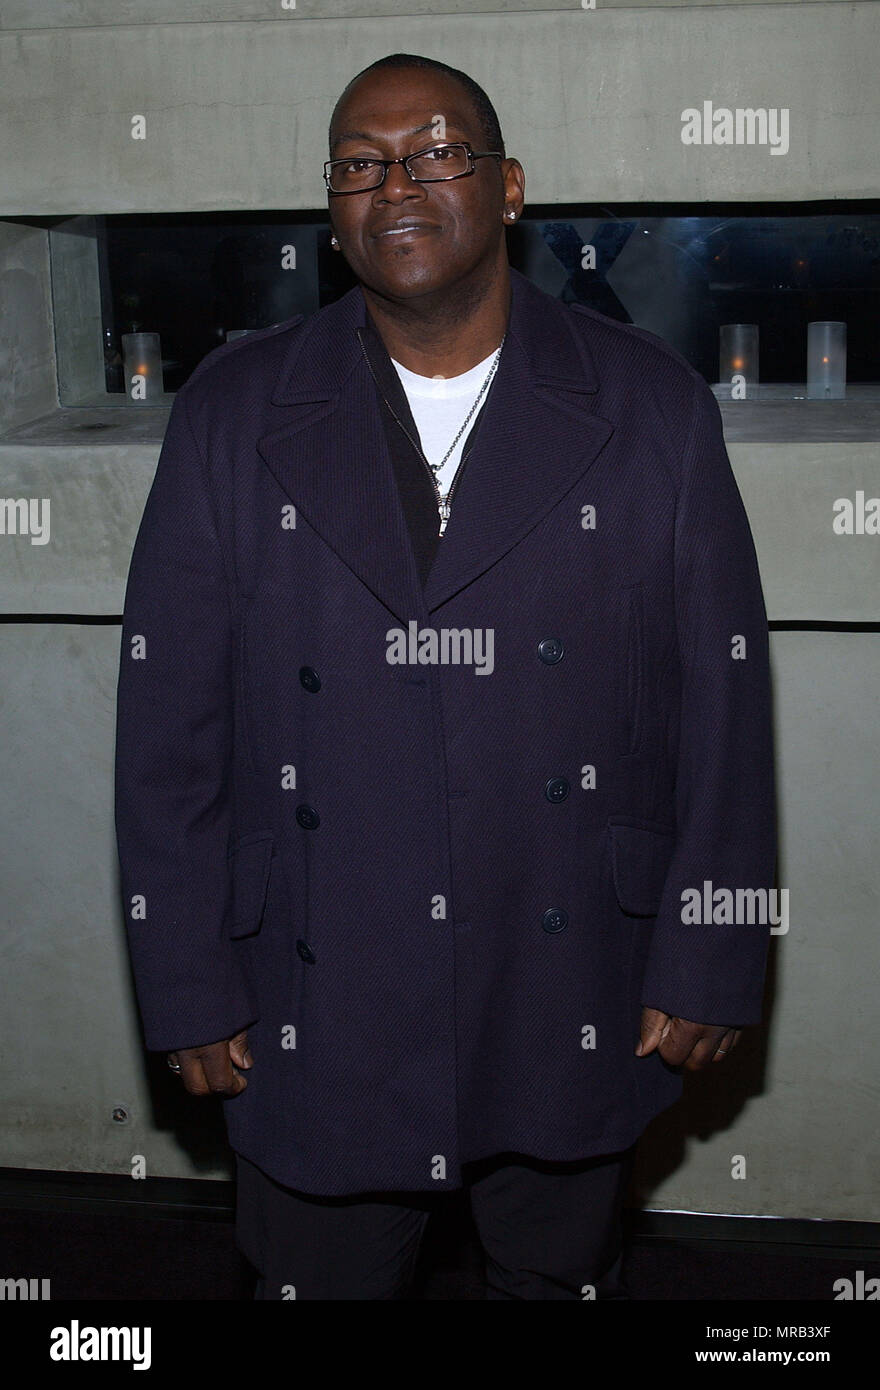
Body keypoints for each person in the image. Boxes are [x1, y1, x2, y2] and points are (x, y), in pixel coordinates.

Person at [114, 52, 777, 1300]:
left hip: (572, 970)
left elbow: (725, 710)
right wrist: (187, 983)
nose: (395, 184)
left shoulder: (651, 407)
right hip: (316, 987)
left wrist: (714, 953)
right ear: (331, 211)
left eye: (435, 152)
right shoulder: (234, 410)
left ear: (510, 186)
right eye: (359, 164)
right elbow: (167, 727)